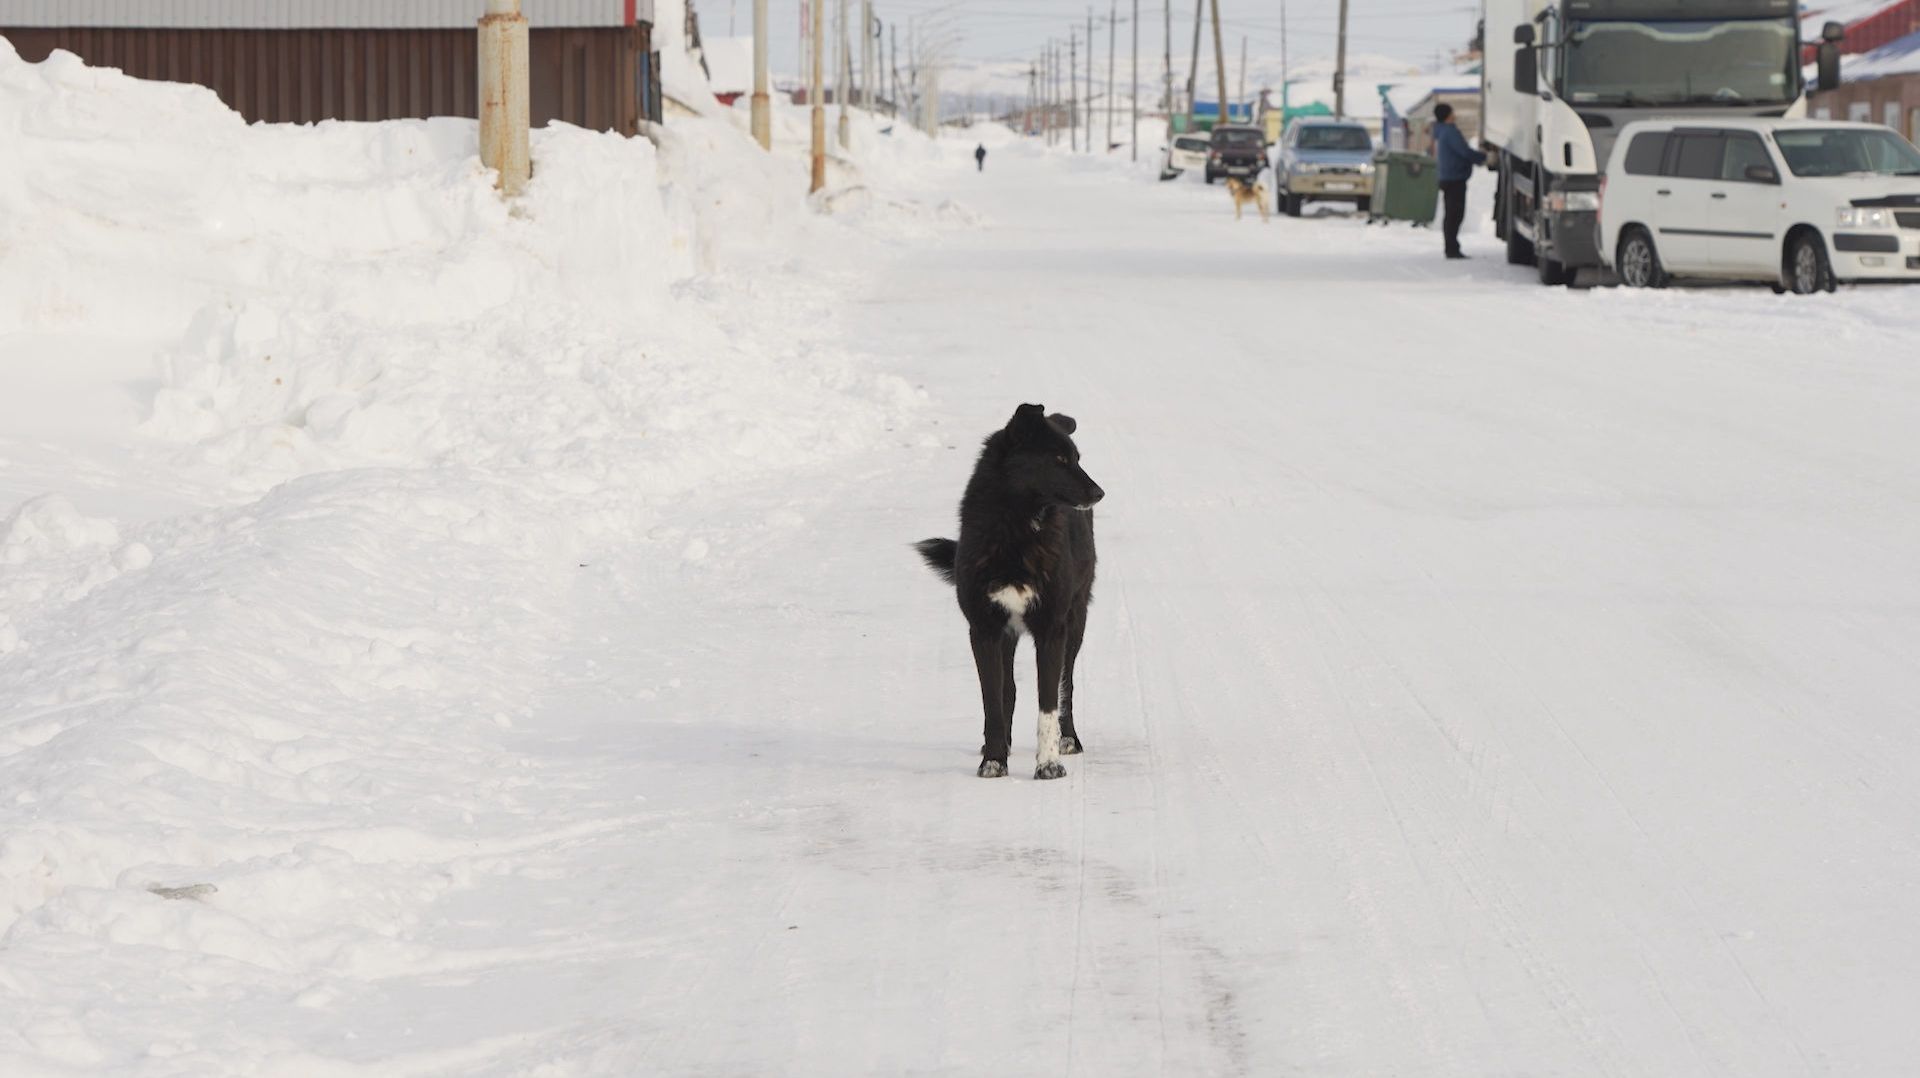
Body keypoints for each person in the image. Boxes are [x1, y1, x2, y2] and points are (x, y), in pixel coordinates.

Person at [1432, 103, 1486, 260]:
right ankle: (1452, 248)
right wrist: (1483, 158)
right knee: (1455, 215)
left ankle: (1451, 246)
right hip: (1455, 177)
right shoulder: (1450, 132)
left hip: (1447, 176)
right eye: (1452, 112)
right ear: (1448, 115)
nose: (1454, 114)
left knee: (1451, 214)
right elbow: (1464, 151)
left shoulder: (1441, 131)